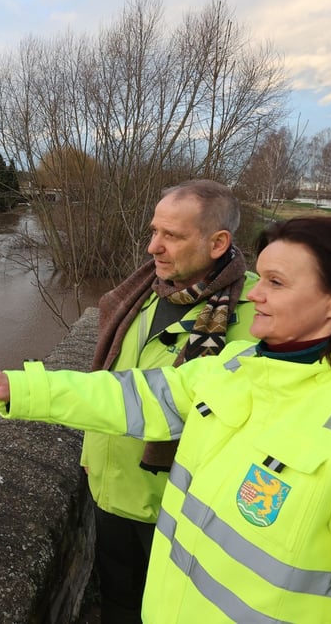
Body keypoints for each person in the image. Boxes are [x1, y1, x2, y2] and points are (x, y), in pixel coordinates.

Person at [0, 216, 331, 623]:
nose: (253, 293)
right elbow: (132, 397)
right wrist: (23, 386)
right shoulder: (237, 366)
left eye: (274, 281)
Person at [80, 179, 257, 622]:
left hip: (179, 506)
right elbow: (111, 381)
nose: (152, 248)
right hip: (110, 488)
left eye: (171, 236)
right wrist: (90, 453)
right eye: (154, 231)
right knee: (119, 602)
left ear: (218, 243)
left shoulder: (255, 313)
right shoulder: (140, 293)